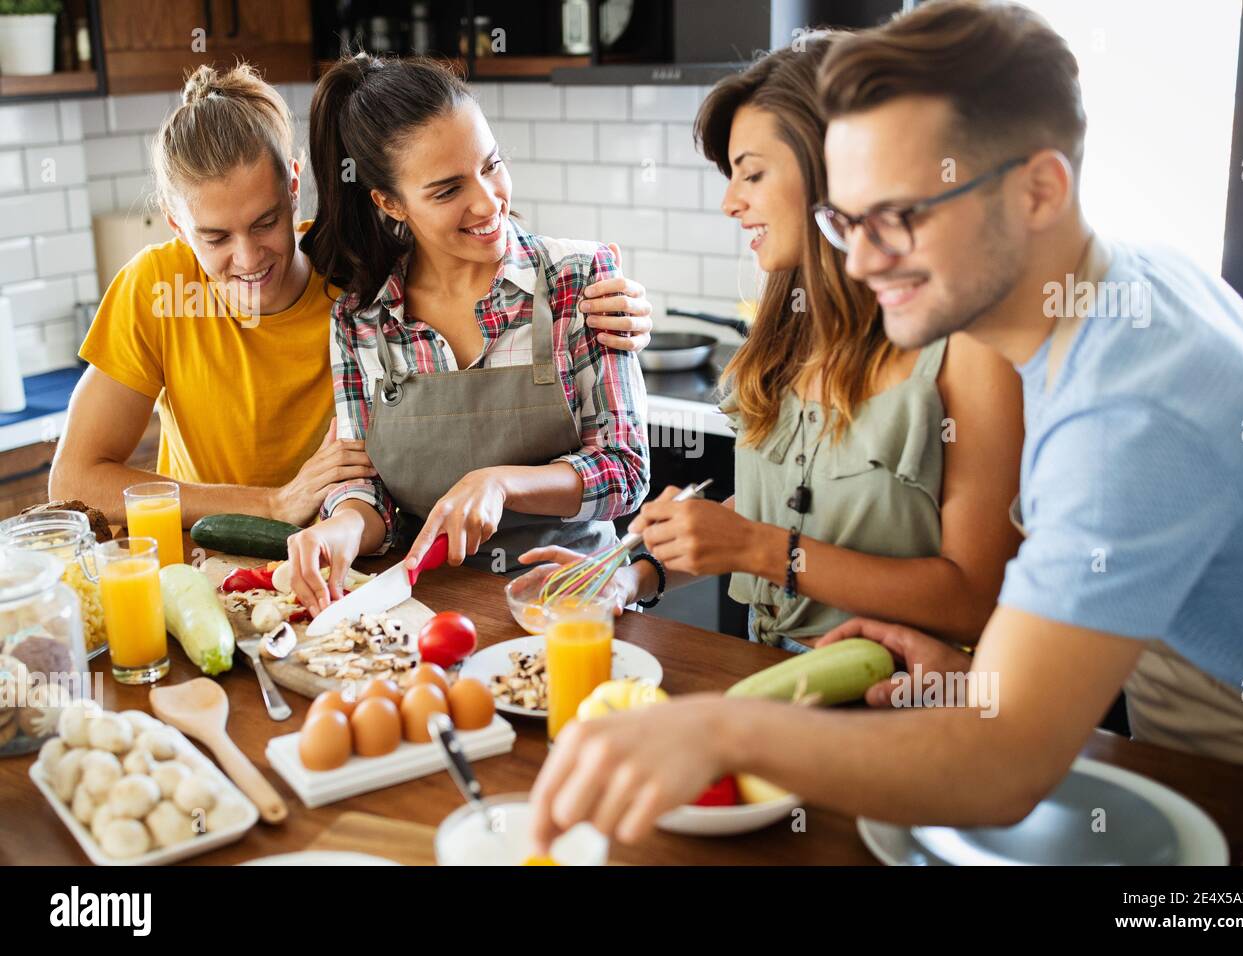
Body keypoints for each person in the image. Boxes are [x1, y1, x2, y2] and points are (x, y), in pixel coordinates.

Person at [529, 0, 1243, 850]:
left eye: (897, 217)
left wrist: (723, 731)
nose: (859, 261)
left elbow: (1005, 765)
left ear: (1041, 189)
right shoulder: (1108, 285)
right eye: (845, 222)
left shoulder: (1126, 407)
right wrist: (975, 680)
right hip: (1176, 713)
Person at [520, 37, 1023, 652]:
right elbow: (775, 510)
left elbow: (974, 601)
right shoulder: (786, 328)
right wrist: (632, 575)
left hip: (899, 704)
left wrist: (760, 551)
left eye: (753, 173)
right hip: (768, 676)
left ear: (836, 167)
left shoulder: (969, 350)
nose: (732, 202)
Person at [50, 63, 653, 528]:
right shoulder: (157, 289)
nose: (249, 256)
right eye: (215, 237)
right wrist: (272, 504)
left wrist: (620, 310)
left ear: (292, 188)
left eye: (265, 222)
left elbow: (473, 248)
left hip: (358, 568)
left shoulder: (357, 277)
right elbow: (74, 480)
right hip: (216, 562)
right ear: (178, 227)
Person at [283, 54, 651, 614]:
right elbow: (366, 487)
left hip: (571, 601)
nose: (487, 201)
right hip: (419, 613)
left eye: (492, 164)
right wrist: (343, 529)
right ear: (389, 202)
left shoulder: (578, 279)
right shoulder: (362, 320)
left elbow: (626, 470)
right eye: (447, 189)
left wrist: (500, 483)